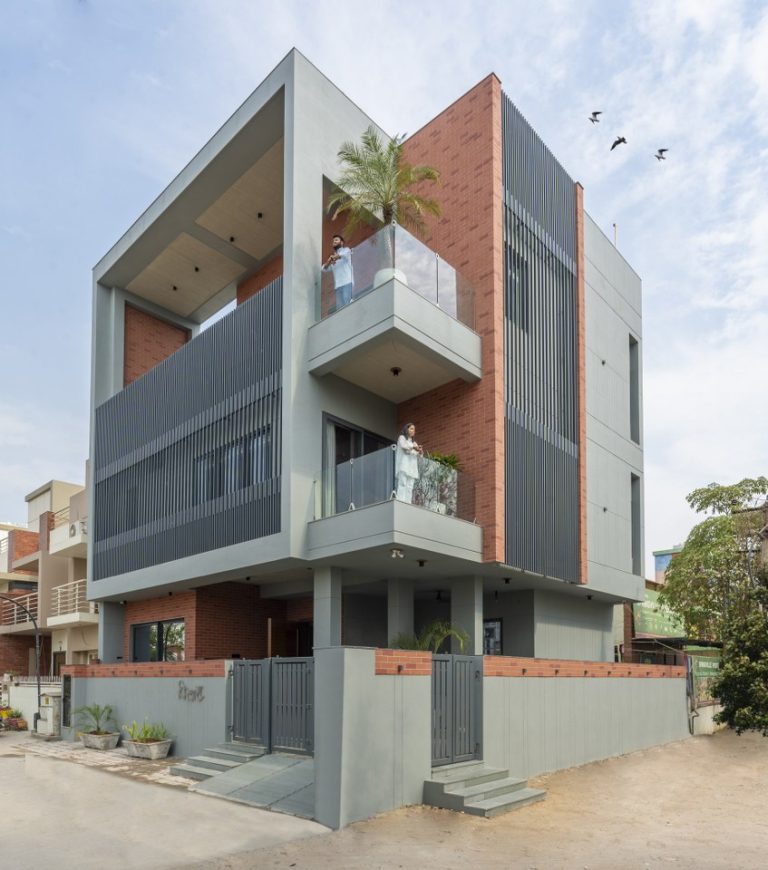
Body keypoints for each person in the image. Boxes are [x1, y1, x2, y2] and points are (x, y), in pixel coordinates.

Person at [322, 234, 354, 310]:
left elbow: (343, 255)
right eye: (333, 241)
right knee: (340, 309)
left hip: (347, 282)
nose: (334, 241)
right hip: (338, 286)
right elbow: (324, 269)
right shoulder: (332, 258)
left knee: (347, 304)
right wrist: (329, 261)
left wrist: (333, 257)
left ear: (341, 242)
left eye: (336, 240)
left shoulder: (346, 250)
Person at [395, 422, 423, 503]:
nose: (413, 431)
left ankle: (407, 503)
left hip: (412, 467)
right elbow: (404, 447)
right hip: (404, 465)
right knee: (402, 483)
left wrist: (420, 451)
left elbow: (419, 456)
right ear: (406, 429)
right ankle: (401, 501)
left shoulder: (414, 443)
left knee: (410, 486)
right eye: (411, 428)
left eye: (414, 429)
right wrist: (413, 447)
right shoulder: (402, 438)